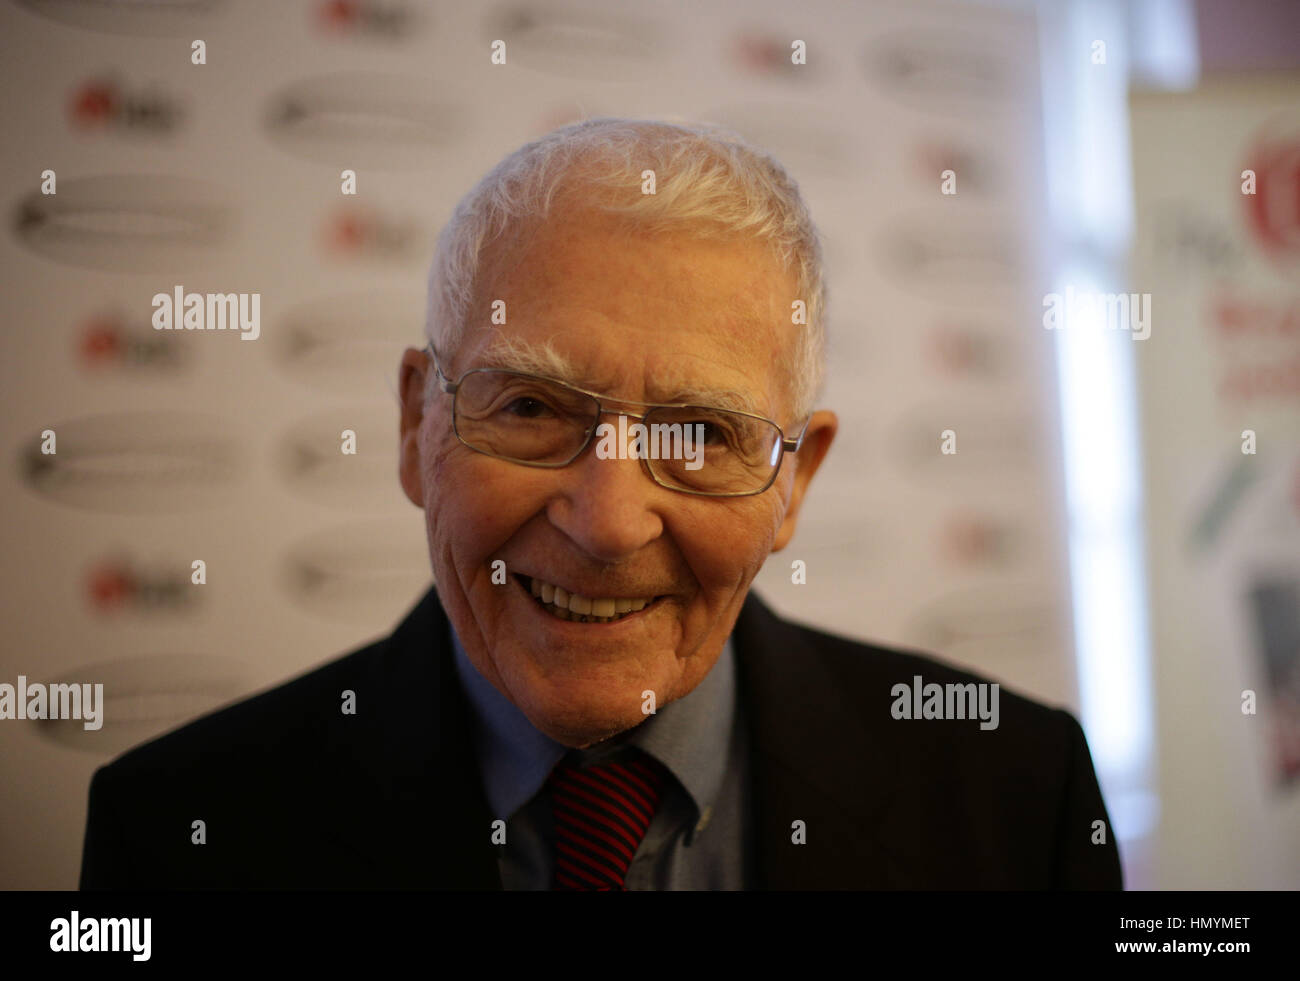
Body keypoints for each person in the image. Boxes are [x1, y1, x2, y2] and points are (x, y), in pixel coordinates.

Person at [80, 118, 1122, 890]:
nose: (609, 521)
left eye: (702, 435)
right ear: (415, 428)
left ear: (794, 483)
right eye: (531, 406)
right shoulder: (178, 831)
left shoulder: (1015, 798)